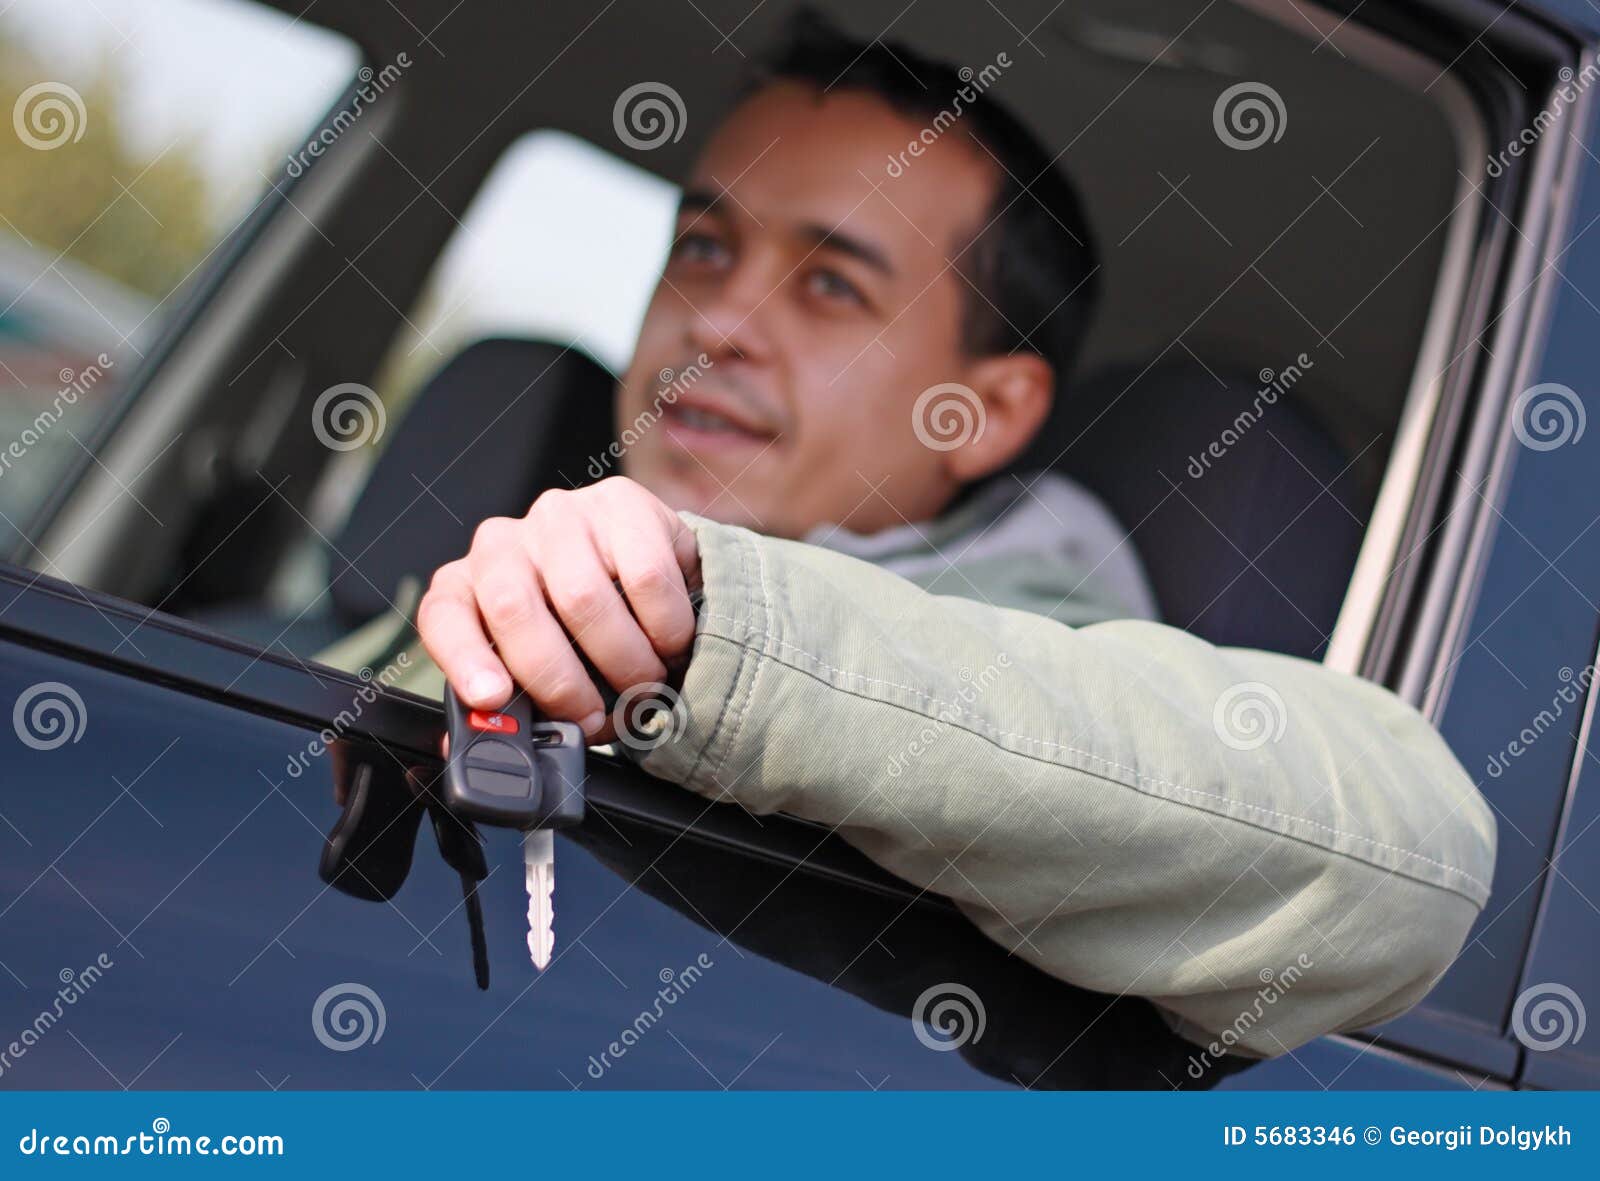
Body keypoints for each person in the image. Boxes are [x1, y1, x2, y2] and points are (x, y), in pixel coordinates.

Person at [320, 14, 1495, 1065]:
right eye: (707, 246)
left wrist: (708, 626)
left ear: (986, 410)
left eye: (830, 285)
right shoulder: (482, 580)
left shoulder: (1043, 676)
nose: (718, 319)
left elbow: (1408, 862)